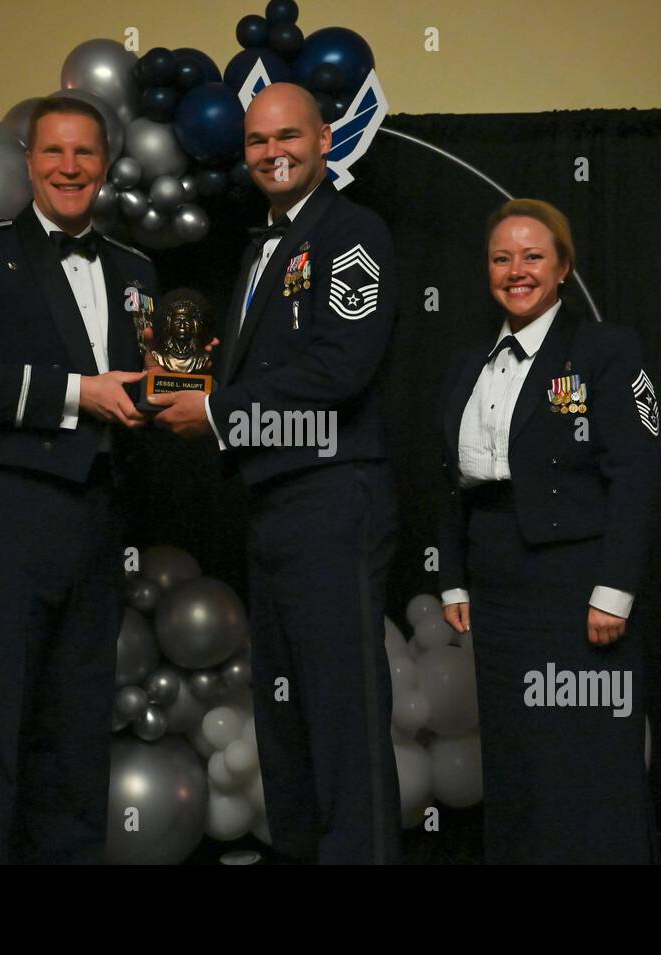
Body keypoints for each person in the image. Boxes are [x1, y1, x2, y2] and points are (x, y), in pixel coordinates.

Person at [148, 82, 401, 864]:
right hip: (275, 503)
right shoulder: (265, 247)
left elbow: (339, 368)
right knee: (285, 722)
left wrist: (221, 412)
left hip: (334, 497)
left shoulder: (351, 233)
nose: (272, 153)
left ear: (326, 140)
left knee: (341, 720)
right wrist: (196, 383)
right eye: (257, 142)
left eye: (288, 136)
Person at [0, 96, 158, 863]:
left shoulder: (136, 269)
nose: (69, 167)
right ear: (28, 159)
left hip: (100, 516)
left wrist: (174, 392)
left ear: (105, 164)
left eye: (85, 154)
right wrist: (77, 394)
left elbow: (139, 390)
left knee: (81, 723)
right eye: (54, 152)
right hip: (12, 515)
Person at [437, 198, 661, 863]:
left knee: (587, 753)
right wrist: (452, 576)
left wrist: (613, 589)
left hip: (577, 582)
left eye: (533, 256)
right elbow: (450, 479)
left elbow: (638, 473)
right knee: (516, 755)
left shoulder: (604, 349)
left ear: (563, 268)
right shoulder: (467, 360)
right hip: (498, 581)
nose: (516, 270)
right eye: (502, 258)